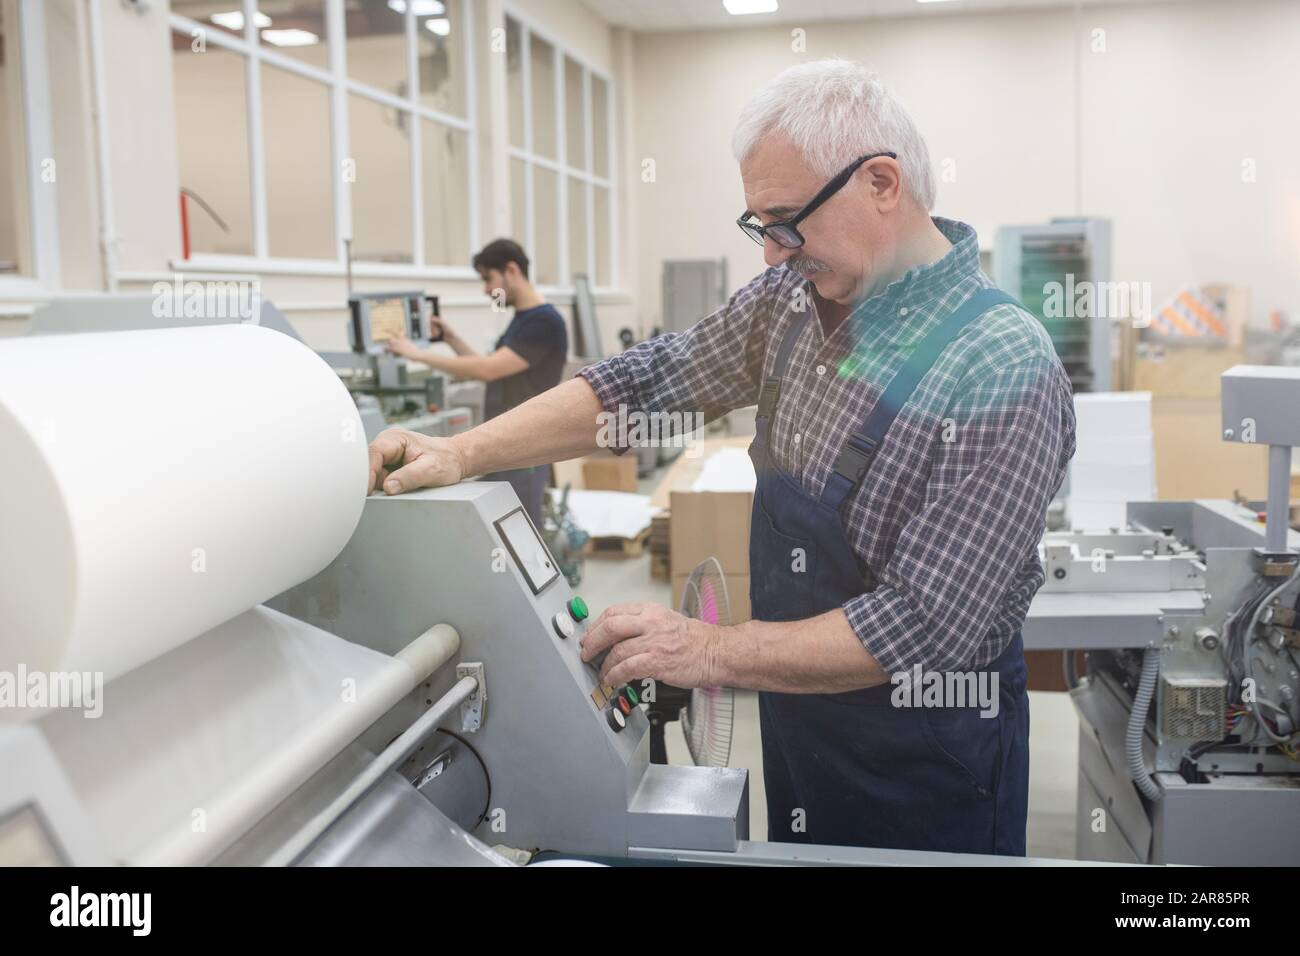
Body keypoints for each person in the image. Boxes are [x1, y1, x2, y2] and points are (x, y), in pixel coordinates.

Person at [369, 60, 1076, 855]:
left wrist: (708, 648)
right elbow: (645, 384)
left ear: (882, 182)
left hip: (930, 760)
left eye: (786, 221)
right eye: (759, 226)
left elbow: (926, 625)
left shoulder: (1000, 363)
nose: (772, 256)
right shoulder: (792, 305)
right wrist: (460, 452)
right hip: (803, 723)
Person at [385, 238, 567, 524]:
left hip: (526, 448)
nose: (486, 290)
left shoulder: (544, 322)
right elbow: (487, 368)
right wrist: (451, 338)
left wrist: (416, 355)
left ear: (511, 270)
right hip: (505, 446)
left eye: (488, 279)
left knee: (519, 533)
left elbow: (487, 370)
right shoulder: (522, 319)